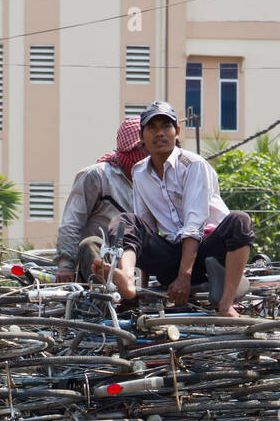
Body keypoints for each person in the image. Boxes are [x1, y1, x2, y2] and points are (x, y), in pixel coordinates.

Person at [94, 101, 255, 317]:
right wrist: (142, 292)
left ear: (176, 132)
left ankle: (225, 305)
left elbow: (194, 225)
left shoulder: (193, 165)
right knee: (125, 221)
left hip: (210, 255)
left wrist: (184, 277)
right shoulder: (139, 172)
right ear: (142, 137)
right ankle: (127, 281)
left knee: (240, 220)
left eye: (166, 126)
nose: (159, 133)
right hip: (172, 256)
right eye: (152, 128)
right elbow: (145, 229)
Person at [55, 119, 148, 281]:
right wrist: (66, 266)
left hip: (135, 263)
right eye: (143, 147)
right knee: (90, 244)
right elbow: (71, 223)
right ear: (129, 148)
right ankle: (105, 298)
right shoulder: (97, 176)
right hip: (100, 260)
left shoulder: (153, 181)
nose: (147, 153)